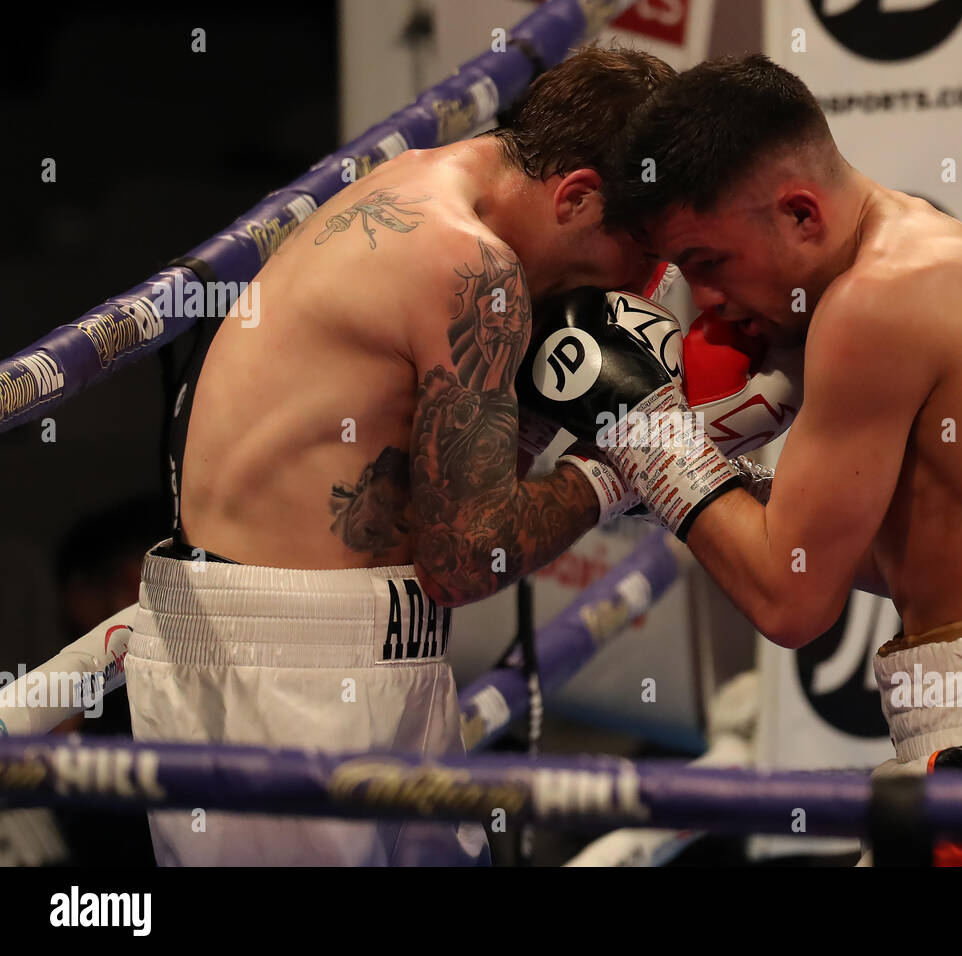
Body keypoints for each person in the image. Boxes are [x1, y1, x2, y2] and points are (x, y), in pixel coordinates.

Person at [526, 54, 962, 867]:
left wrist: (658, 444)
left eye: (708, 262)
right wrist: (719, 490)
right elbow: (915, 552)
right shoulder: (912, 252)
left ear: (801, 214)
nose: (703, 300)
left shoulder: (873, 305)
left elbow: (790, 598)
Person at [128, 45, 675, 866]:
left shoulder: (436, 192)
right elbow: (470, 552)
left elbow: (445, 499)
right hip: (279, 679)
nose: (647, 288)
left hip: (354, 650)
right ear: (578, 197)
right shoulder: (468, 264)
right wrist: (622, 469)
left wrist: (541, 406)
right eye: (648, 254)